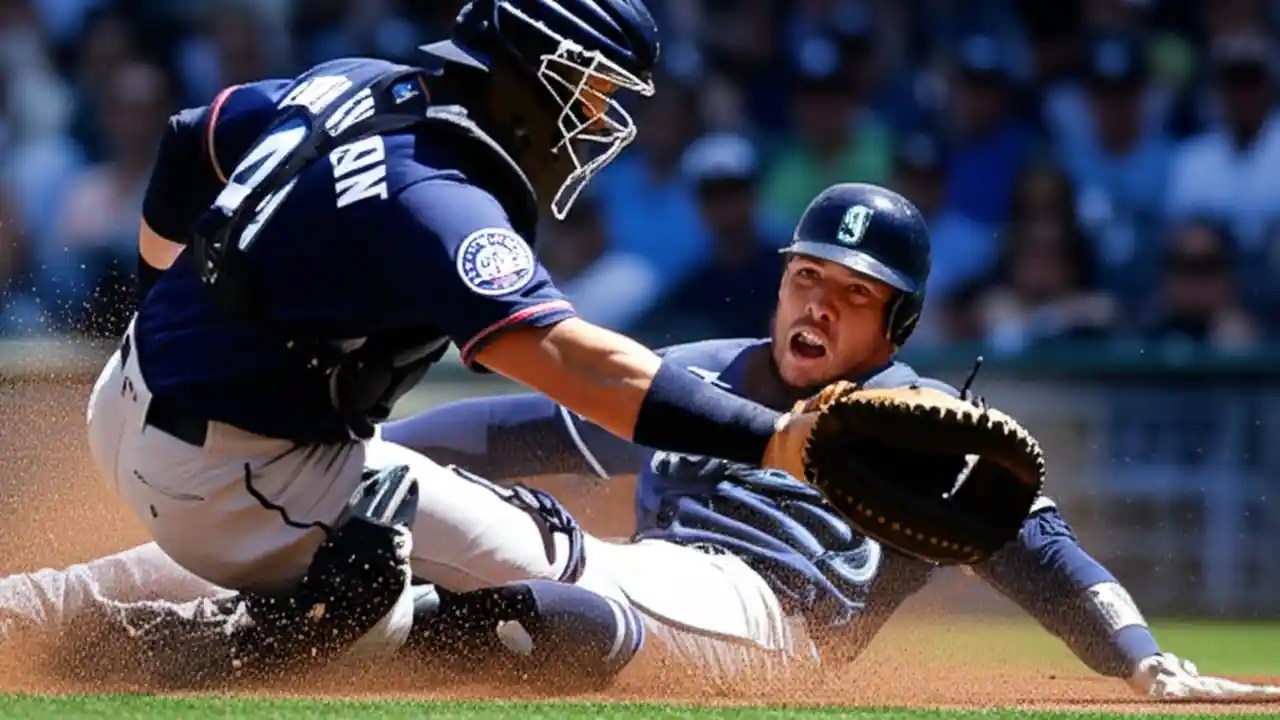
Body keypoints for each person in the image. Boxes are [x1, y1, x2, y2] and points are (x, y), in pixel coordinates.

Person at [8, 183, 1276, 702]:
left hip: (774, 635)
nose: (810, 302)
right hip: (626, 589)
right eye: (799, 276)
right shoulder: (704, 378)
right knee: (376, 521)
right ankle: (57, 611)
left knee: (547, 602)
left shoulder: (922, 430)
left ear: (894, 318)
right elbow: (509, 425)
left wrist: (1143, 662)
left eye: (844, 292)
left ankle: (255, 638)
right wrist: (361, 451)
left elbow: (1034, 545)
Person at [83, 0, 832, 673]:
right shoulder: (439, 196)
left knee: (405, 522)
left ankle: (59, 612)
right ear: (528, 73)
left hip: (127, 397)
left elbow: (190, 140)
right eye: (590, 90)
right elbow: (574, 363)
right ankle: (229, 645)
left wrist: (158, 310)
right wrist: (775, 440)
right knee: (551, 562)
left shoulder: (353, 80)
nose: (597, 121)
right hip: (236, 480)